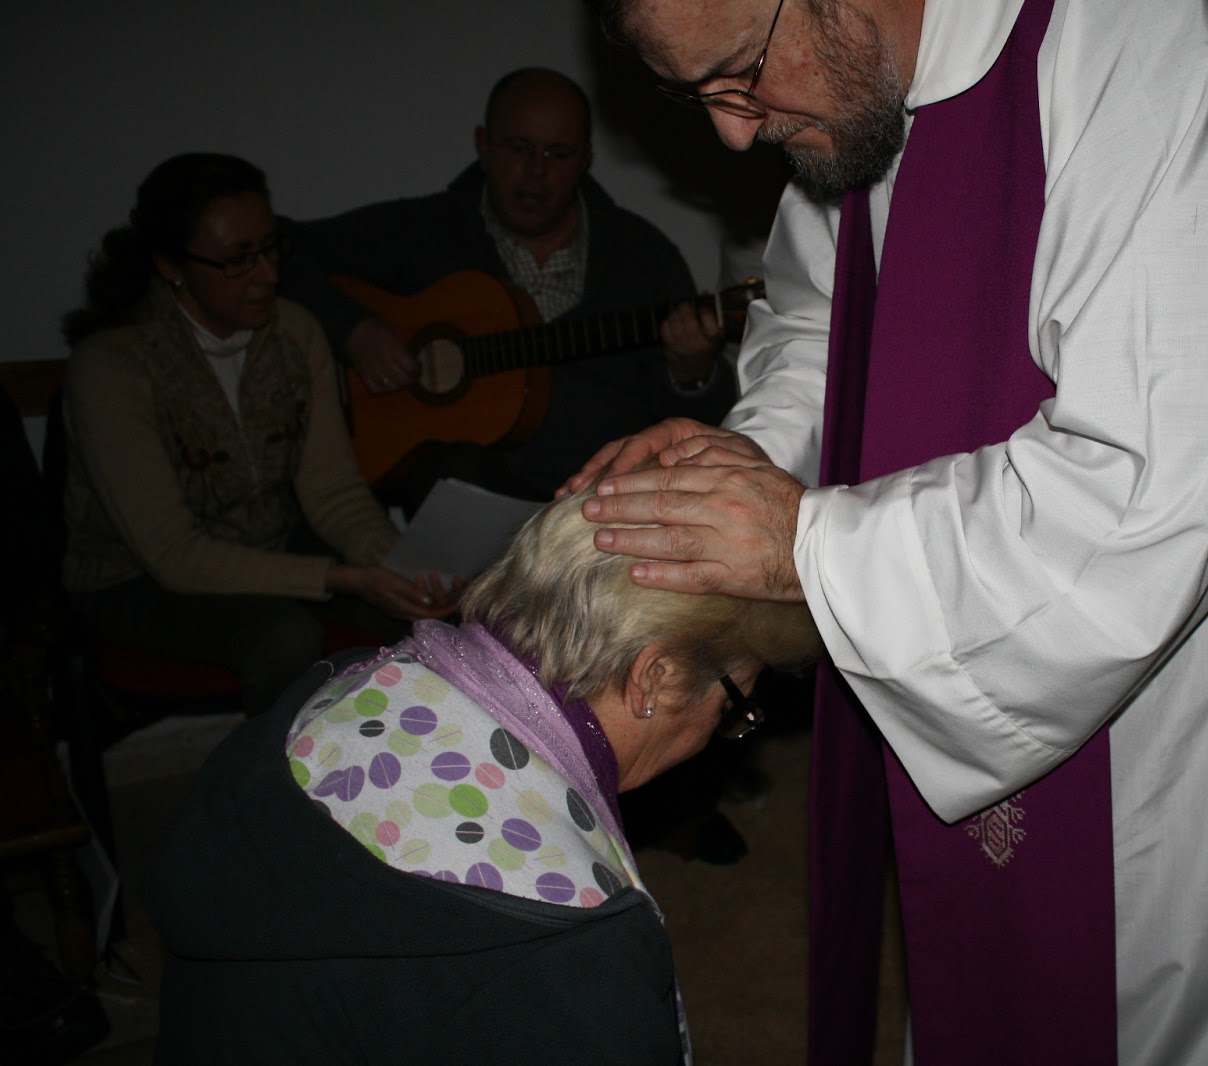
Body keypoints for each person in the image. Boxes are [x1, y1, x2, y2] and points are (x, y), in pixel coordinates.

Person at [569, 1, 1208, 1063]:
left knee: (1166, 1015)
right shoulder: (854, 71)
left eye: (738, 73)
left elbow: (1156, 494)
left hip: (1202, 660)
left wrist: (804, 548)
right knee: (984, 980)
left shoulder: (1163, 36)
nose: (731, 133)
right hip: (967, 585)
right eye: (693, 94)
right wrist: (749, 469)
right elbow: (819, 314)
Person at [143, 487, 820, 1063]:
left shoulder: (340, 687)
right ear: (658, 677)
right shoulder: (569, 941)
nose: (724, 733)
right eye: (736, 701)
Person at [59, 153, 456, 718]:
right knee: (283, 637)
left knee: (430, 610)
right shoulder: (112, 366)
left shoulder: (294, 332)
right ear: (172, 265)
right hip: (134, 580)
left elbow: (333, 492)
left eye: (270, 248)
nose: (267, 274)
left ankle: (411, 773)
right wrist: (344, 578)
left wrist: (402, 568)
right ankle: (280, 793)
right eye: (236, 261)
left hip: (269, 546)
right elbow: (173, 553)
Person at [277, 66, 737, 510]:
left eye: (558, 154)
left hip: (592, 514)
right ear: (484, 146)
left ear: (585, 159)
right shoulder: (424, 232)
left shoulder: (643, 258)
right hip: (461, 515)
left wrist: (694, 374)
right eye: (519, 148)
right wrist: (355, 330)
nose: (536, 172)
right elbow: (279, 246)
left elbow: (702, 430)